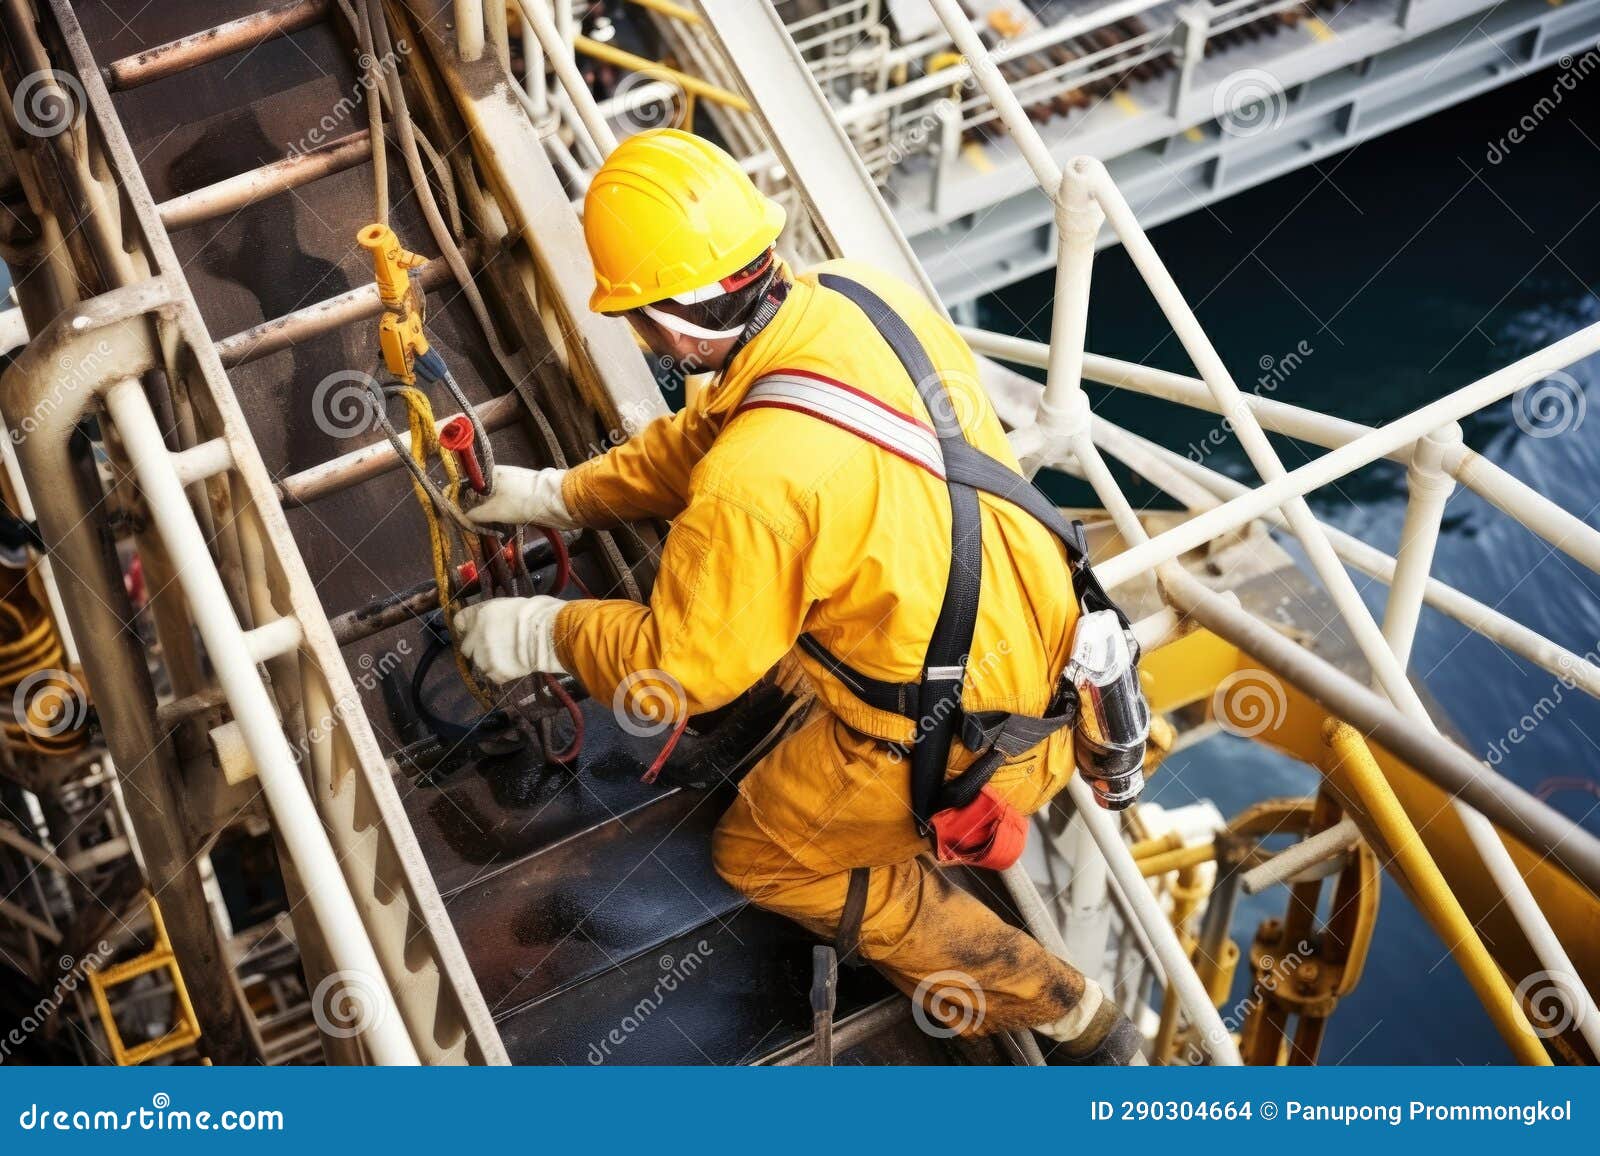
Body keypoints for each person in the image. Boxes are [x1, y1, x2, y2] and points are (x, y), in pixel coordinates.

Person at [454, 128, 1142, 1063]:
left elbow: (679, 669)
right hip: (1051, 652)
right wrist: (556, 495)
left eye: (639, 321)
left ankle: (1059, 1005)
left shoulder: (757, 481)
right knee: (768, 608)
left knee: (760, 853)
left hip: (958, 745)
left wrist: (540, 629)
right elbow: (709, 440)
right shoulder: (854, 299)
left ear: (670, 324)